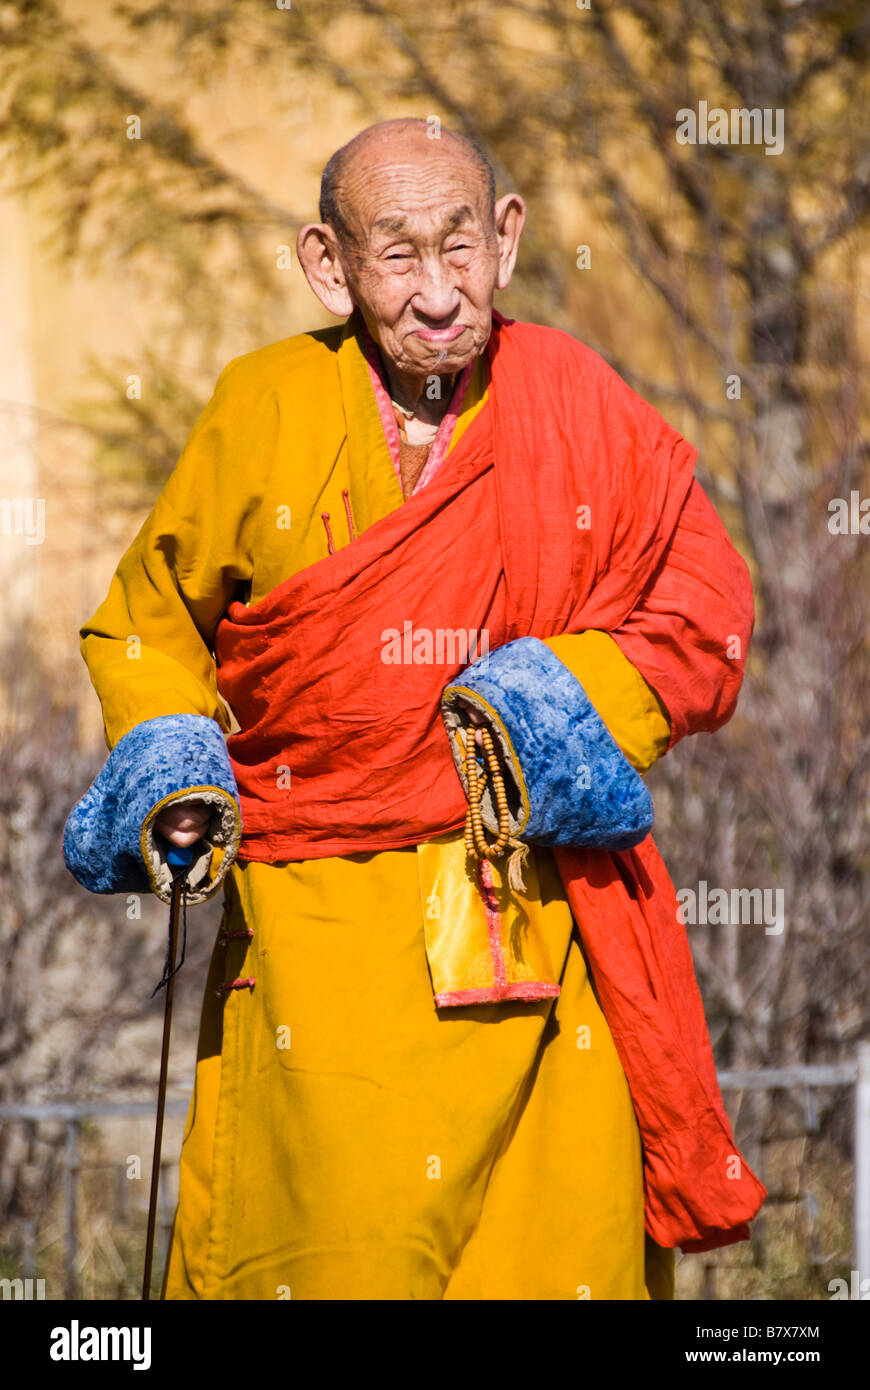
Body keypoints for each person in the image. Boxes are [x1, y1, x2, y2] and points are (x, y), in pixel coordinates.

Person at [64, 117, 765, 1301]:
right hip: (321, 953)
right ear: (331, 267)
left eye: (460, 248)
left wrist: (550, 709)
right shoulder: (266, 409)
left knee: (552, 1266)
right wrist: (176, 767)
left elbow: (707, 611)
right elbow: (145, 627)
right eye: (398, 256)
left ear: (506, 238)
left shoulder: (576, 403)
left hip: (547, 944)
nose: (440, 294)